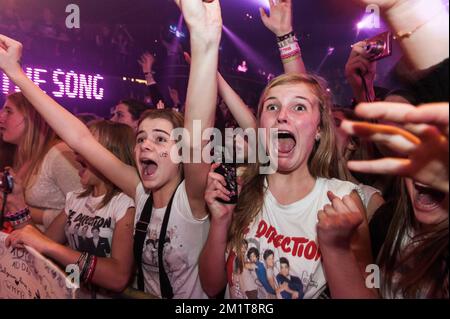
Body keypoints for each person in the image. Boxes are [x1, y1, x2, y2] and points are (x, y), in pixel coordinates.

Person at [0, 0, 223, 299]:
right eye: (141, 137)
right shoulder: (140, 192)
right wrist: (16, 74)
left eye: (160, 139)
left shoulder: (191, 200)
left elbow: (197, 138)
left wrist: (205, 40)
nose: (145, 143)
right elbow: (80, 139)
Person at [201, 73, 377, 299]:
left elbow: (372, 287)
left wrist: (337, 249)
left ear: (319, 129)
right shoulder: (241, 187)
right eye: (272, 107)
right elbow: (210, 286)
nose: (282, 116)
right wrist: (220, 221)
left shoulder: (342, 200)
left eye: (299, 108)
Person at [5, 120, 136, 298]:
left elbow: (118, 277)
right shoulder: (76, 198)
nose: (76, 155)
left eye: (86, 149)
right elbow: (42, 245)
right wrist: (17, 203)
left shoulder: (125, 204)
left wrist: (50, 247)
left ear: (109, 157)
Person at [0, 92, 82, 229]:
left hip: (49, 247)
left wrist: (17, 209)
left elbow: (82, 212)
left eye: (9, 111)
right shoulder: (18, 154)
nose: (1, 117)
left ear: (32, 117)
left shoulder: (59, 154)